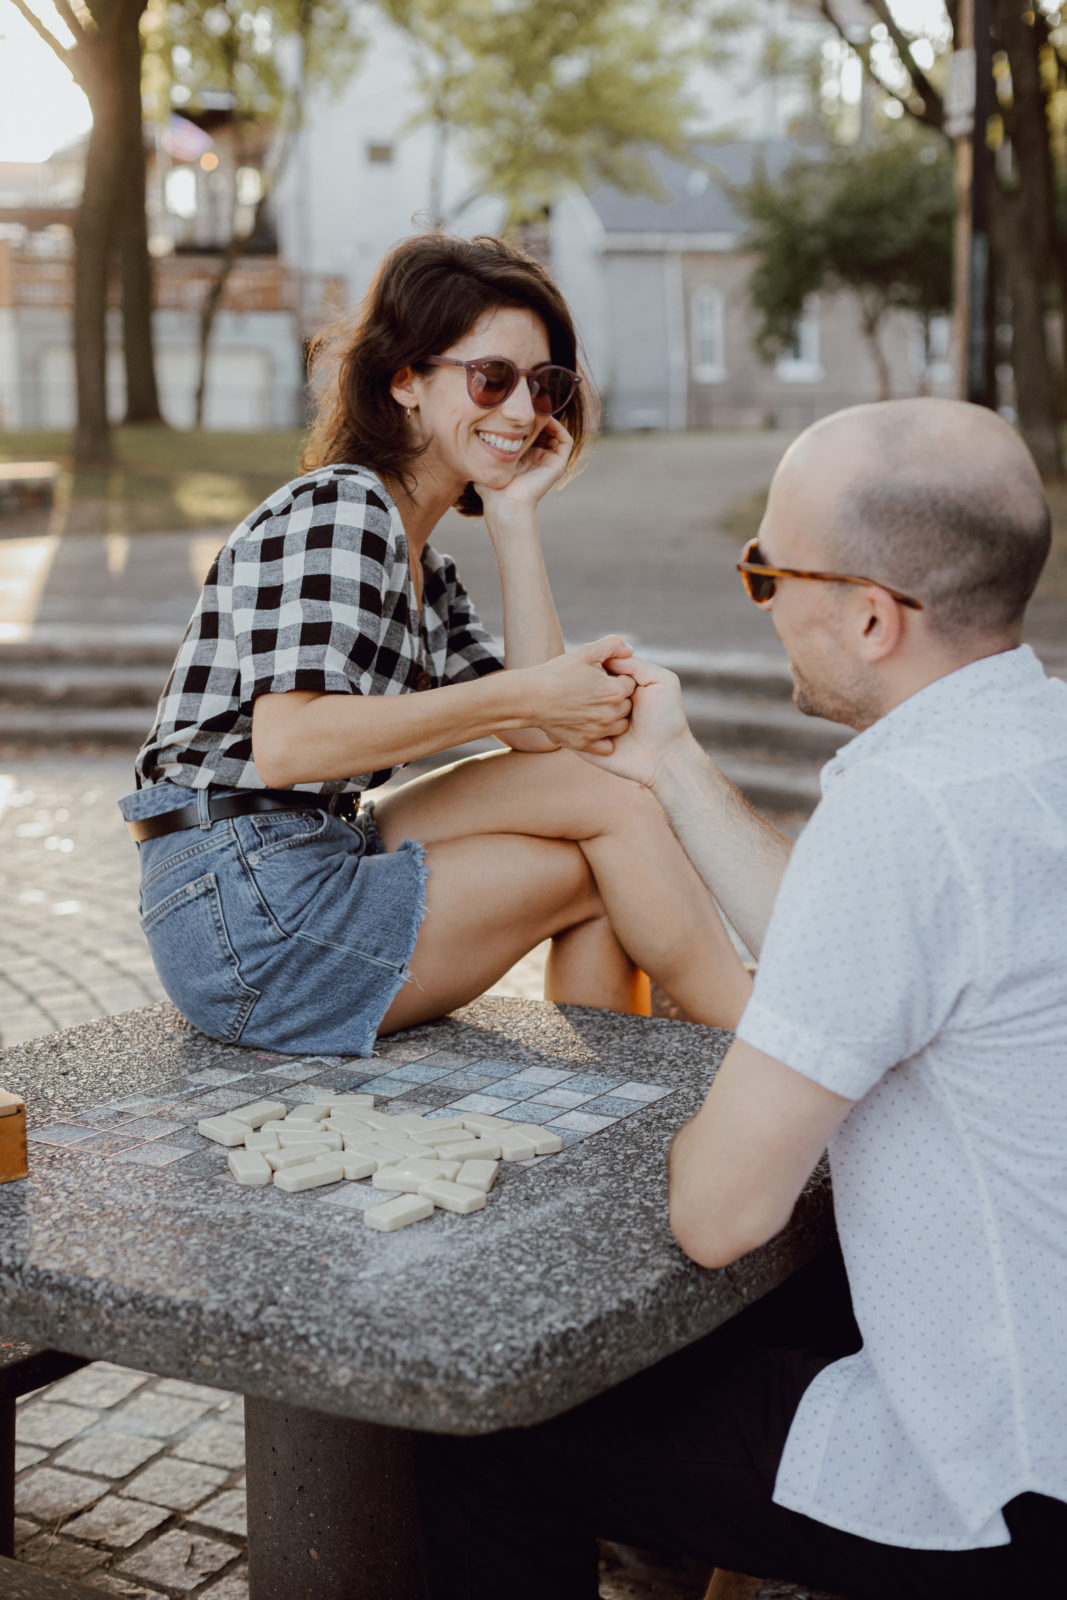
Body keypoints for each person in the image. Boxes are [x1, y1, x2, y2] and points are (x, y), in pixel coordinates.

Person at [415, 398, 1067, 1599]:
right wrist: (664, 758)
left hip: (1000, 1478)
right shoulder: (1030, 741)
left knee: (480, 1430)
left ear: (869, 615)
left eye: (766, 570)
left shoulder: (905, 817)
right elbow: (854, 943)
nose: (753, 598)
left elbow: (716, 1212)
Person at [118, 233, 749, 1056]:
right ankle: (764, 1040)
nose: (522, 413)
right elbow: (290, 743)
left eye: (545, 385)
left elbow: (539, 739)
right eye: (491, 378)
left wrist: (517, 515)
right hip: (244, 910)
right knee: (599, 865)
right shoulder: (342, 506)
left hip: (304, 847)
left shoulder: (424, 561)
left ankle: (692, 1056)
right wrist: (523, 696)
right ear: (404, 379)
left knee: (599, 795)